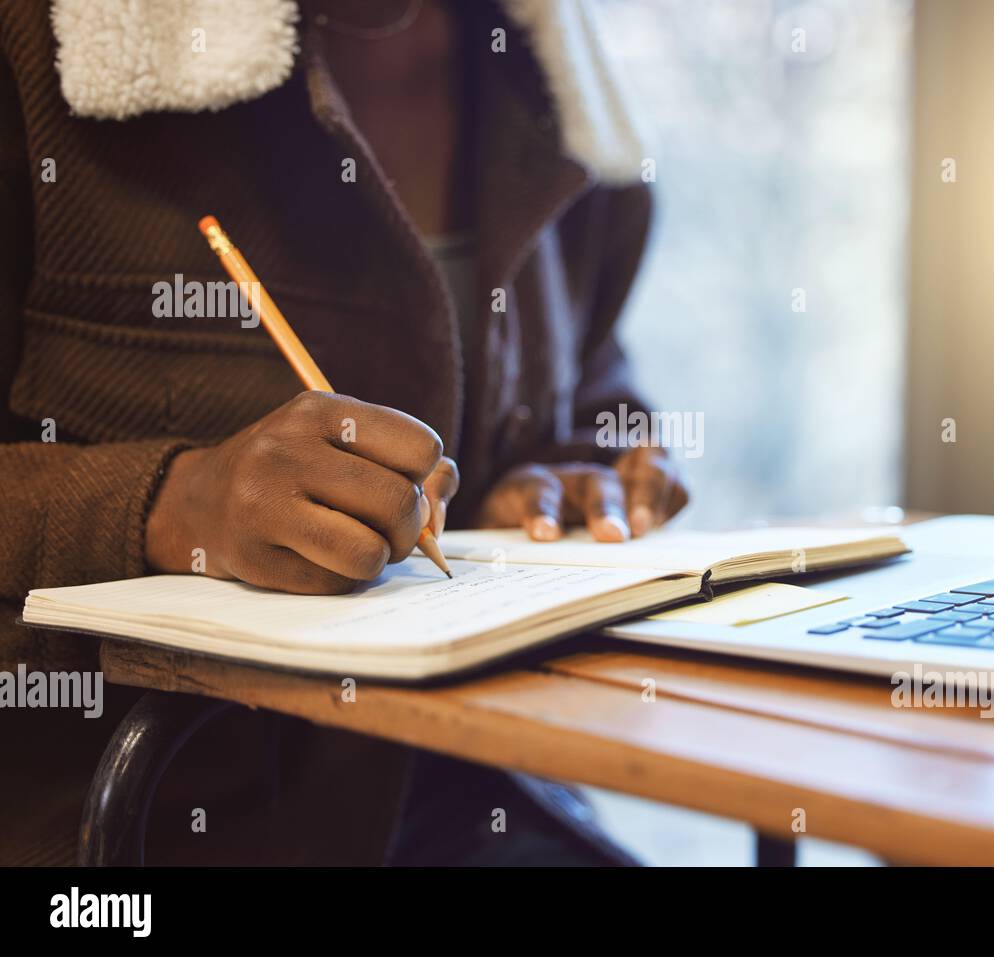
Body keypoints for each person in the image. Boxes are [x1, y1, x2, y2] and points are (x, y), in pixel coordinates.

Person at [0, 0, 686, 865]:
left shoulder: (559, 81)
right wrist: (172, 504)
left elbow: (591, 388)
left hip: (478, 790)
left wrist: (560, 475)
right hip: (132, 828)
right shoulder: (45, 39)